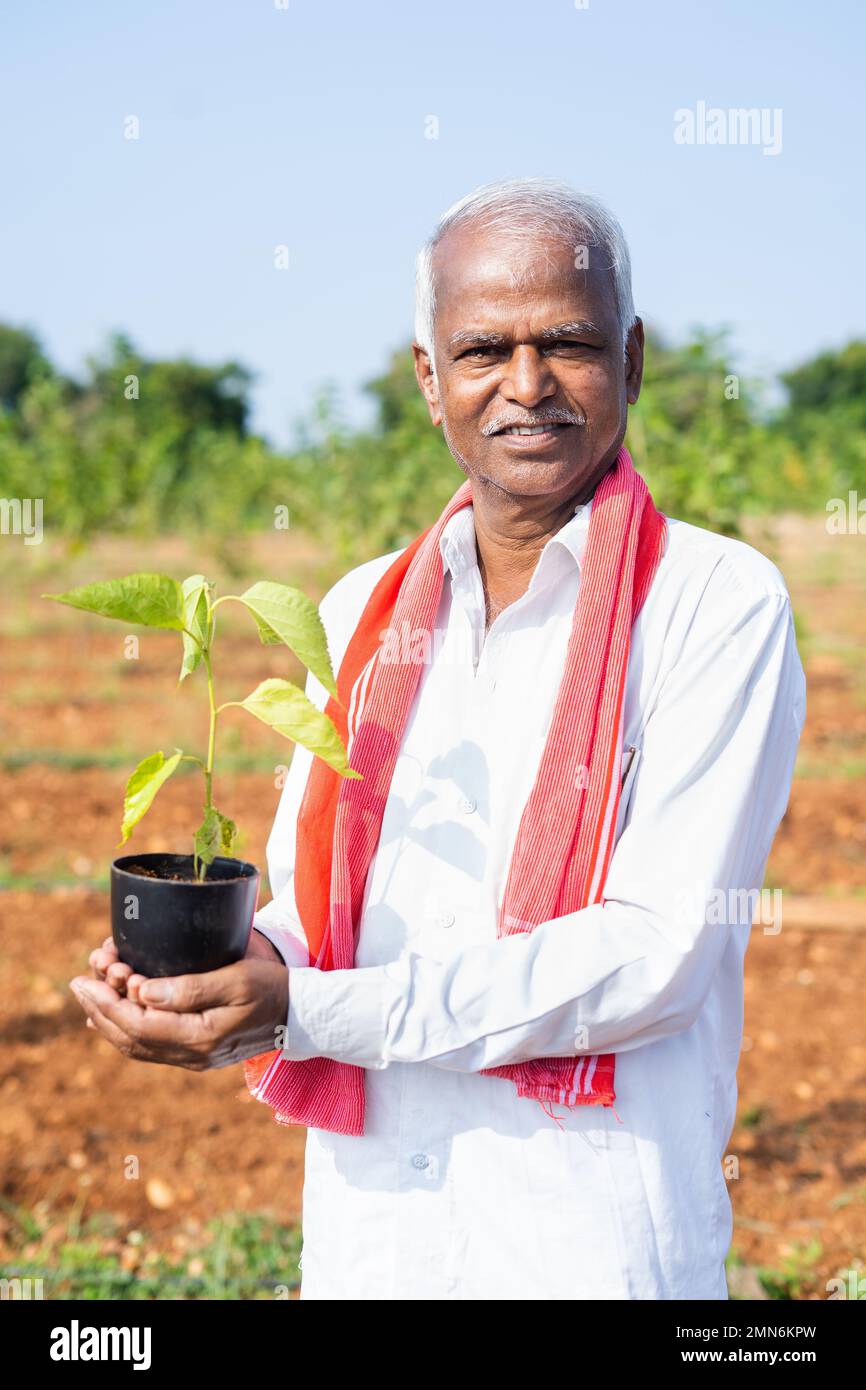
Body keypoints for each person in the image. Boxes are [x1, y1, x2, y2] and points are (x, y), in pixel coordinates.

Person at [72, 178, 806, 1300]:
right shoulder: (363, 608)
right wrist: (221, 976)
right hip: (377, 1243)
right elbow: (317, 919)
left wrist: (306, 1009)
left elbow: (654, 957)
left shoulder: (711, 602)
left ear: (632, 358)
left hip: (584, 1246)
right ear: (428, 378)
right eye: (480, 350)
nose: (526, 386)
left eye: (567, 342)